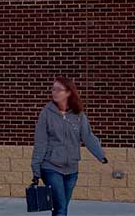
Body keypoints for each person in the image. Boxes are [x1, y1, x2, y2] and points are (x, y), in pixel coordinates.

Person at [30, 77, 109, 216]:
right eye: (53, 89)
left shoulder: (78, 115)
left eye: (58, 89)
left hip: (72, 168)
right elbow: (40, 142)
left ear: (68, 92)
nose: (54, 92)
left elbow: (88, 136)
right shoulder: (46, 113)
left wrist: (100, 155)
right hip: (51, 166)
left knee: (62, 206)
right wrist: (36, 169)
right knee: (60, 207)